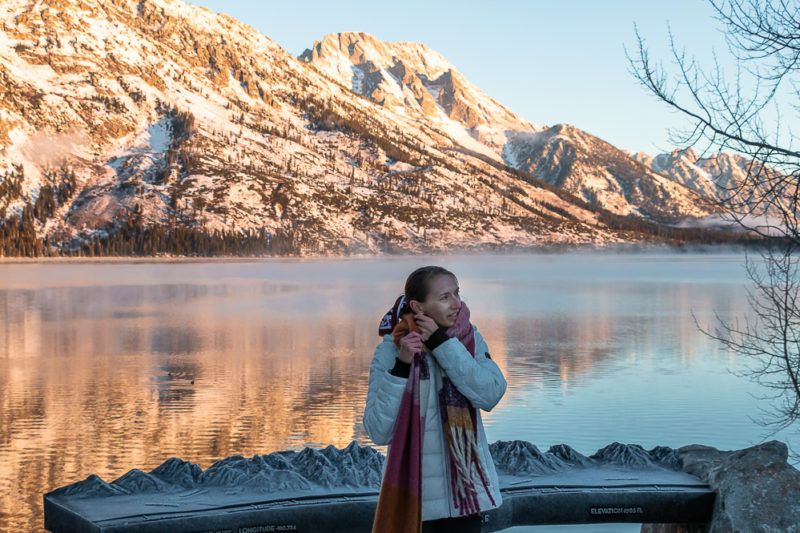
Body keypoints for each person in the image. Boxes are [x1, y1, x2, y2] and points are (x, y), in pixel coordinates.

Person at [363, 265, 507, 533]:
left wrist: (442, 344)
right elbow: (378, 430)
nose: (457, 304)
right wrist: (402, 366)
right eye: (444, 297)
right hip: (416, 501)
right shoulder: (390, 352)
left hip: (465, 497)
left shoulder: (469, 340)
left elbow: (491, 394)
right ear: (418, 307)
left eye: (457, 293)